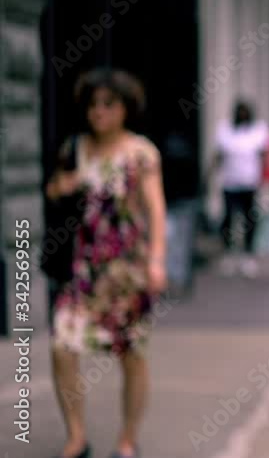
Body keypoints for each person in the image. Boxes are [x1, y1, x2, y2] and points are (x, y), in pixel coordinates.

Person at [45, 68, 168, 458]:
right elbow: (52, 189)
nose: (98, 112)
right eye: (92, 104)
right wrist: (61, 187)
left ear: (125, 109)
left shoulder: (140, 153)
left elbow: (155, 208)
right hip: (82, 272)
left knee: (131, 354)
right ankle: (76, 437)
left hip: (126, 272)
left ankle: (128, 439)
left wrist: (157, 260)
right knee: (62, 346)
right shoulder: (74, 148)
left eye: (107, 104)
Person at [213, 100, 269, 278]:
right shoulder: (225, 129)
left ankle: (248, 255)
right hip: (230, 182)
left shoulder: (258, 130)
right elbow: (219, 155)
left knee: (249, 219)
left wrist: (264, 178)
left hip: (250, 183)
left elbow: (264, 156)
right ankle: (229, 253)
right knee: (228, 218)